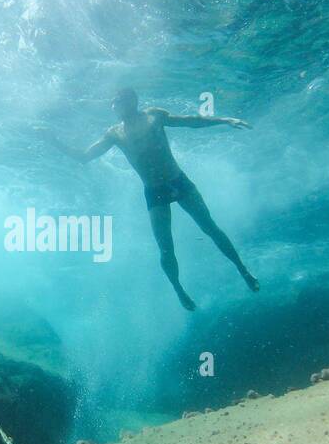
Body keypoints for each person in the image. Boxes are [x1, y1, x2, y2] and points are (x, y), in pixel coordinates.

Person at [40, 86, 259, 310]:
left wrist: (223, 119)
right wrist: (53, 141)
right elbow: (85, 156)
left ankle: (243, 270)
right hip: (155, 192)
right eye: (115, 102)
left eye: (121, 100)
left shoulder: (154, 115)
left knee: (210, 228)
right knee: (165, 247)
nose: (117, 105)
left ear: (133, 100)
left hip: (178, 181)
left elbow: (190, 121)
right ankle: (179, 289)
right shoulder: (114, 133)